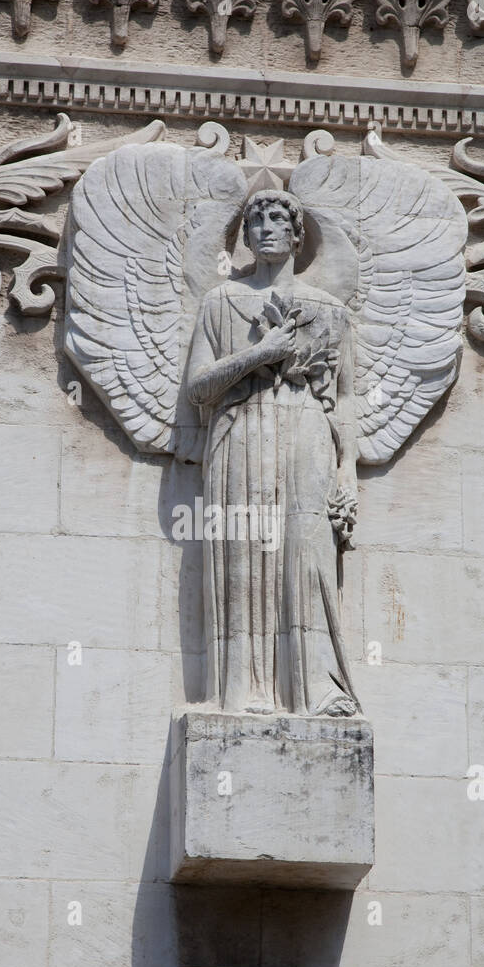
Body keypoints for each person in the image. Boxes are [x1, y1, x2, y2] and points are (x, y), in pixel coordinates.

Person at [186, 188, 361, 717]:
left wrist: (348, 469)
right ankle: (249, 691)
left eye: (278, 218)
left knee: (310, 556)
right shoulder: (220, 302)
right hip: (238, 435)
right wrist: (259, 354)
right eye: (255, 219)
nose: (265, 227)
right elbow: (198, 387)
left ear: (296, 233)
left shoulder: (330, 310)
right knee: (246, 556)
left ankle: (320, 689)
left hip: (307, 433)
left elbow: (347, 399)